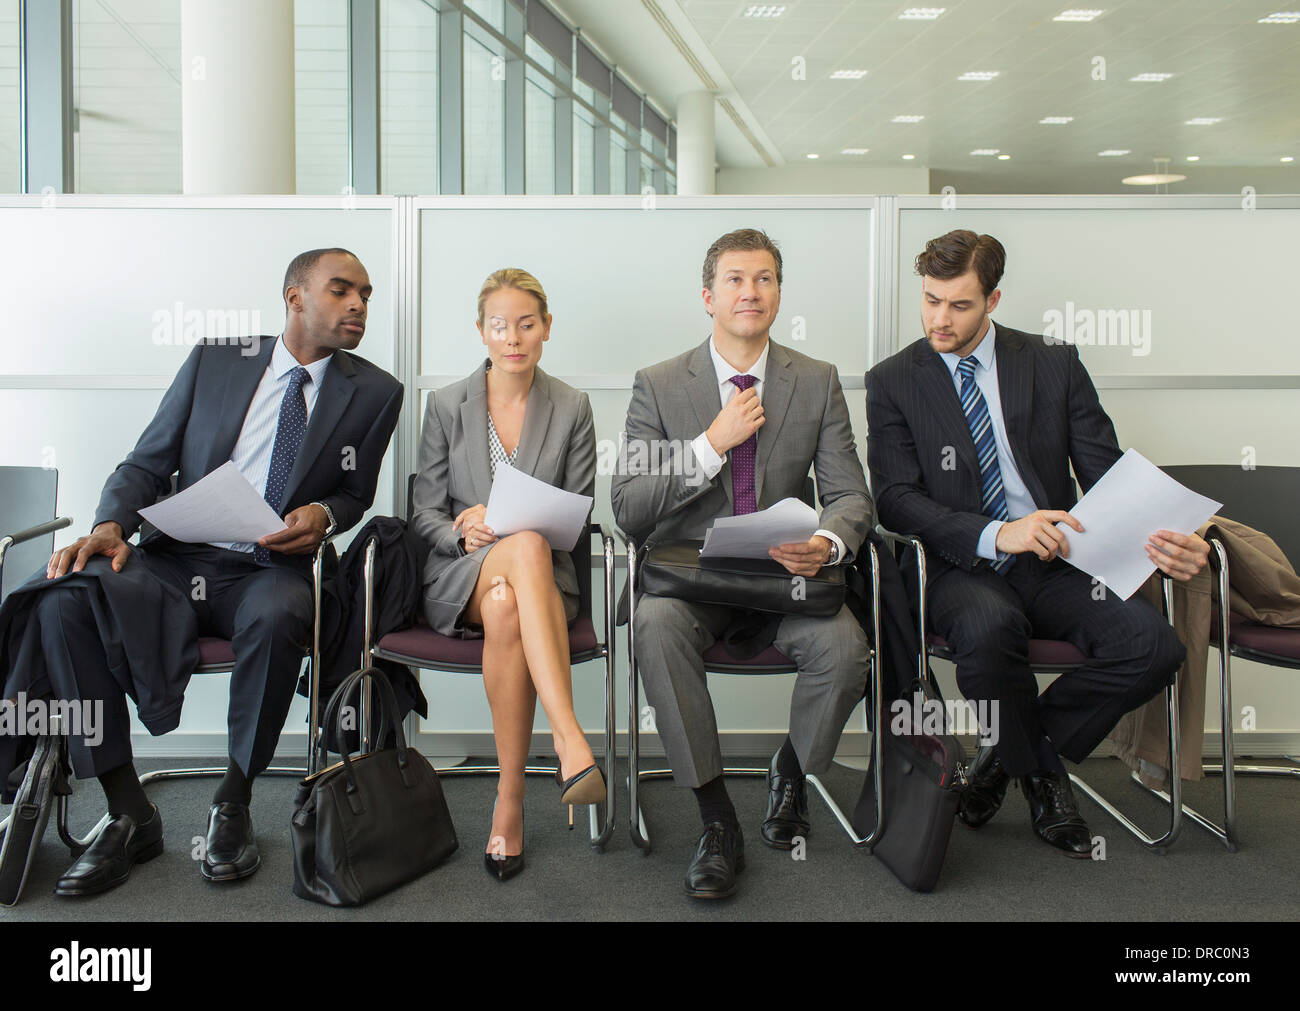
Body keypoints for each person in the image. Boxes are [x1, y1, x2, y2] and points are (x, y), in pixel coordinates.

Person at [22, 247, 403, 893]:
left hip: (269, 567)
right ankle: (126, 810)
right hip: (178, 555)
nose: (359, 304)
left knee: (282, 614)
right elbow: (147, 459)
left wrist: (321, 513)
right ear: (294, 297)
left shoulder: (376, 391)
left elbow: (354, 492)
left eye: (366, 293)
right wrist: (113, 524)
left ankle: (234, 800)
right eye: (341, 290)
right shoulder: (216, 357)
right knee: (63, 602)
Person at [865, 229, 1209, 857]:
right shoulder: (893, 380)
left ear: (993, 300)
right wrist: (998, 532)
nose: (939, 319)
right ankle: (1048, 780)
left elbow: (1107, 474)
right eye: (930, 300)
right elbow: (895, 499)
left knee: (1153, 648)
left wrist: (1181, 537)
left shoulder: (1052, 361)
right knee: (991, 634)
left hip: (1057, 560)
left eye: (959, 305)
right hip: (960, 564)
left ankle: (1006, 761)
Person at [611, 228, 873, 900]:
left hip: (786, 580)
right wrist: (707, 446)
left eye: (763, 278)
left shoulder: (814, 382)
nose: (750, 291)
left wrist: (830, 542)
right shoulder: (660, 384)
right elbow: (629, 508)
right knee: (655, 626)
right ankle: (716, 817)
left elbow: (850, 496)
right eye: (734, 279)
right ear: (708, 296)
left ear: (778, 293)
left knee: (846, 648)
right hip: (691, 581)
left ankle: (790, 767)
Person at [410, 268, 604, 882]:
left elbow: (575, 514)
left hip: (541, 579)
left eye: (527, 323)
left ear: (546, 328)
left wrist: (518, 526)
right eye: (500, 324)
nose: (513, 336)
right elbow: (423, 513)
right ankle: (571, 741)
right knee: (510, 559)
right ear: (481, 331)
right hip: (461, 571)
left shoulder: (572, 407)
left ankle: (509, 799)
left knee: (508, 600)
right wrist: (461, 530)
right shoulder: (444, 406)